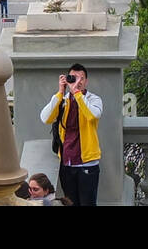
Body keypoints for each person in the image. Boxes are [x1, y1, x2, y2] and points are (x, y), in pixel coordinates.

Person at [40, 63, 103, 206]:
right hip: (67, 163)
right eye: (74, 78)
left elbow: (93, 115)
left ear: (86, 81)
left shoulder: (94, 99)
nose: (78, 81)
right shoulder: (63, 100)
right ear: (68, 79)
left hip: (87, 163)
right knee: (70, 203)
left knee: (88, 203)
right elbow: (45, 118)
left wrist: (78, 95)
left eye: (82, 78)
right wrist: (60, 92)